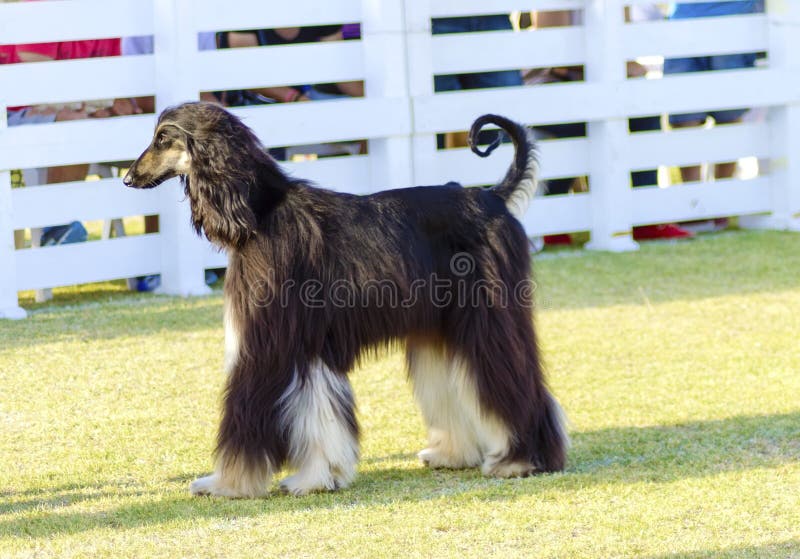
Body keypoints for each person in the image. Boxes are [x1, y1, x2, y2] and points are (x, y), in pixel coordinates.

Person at [664, 1, 764, 185]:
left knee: (728, 116)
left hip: (733, 17)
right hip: (683, 20)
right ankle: (694, 202)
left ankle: (722, 203)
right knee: (684, 118)